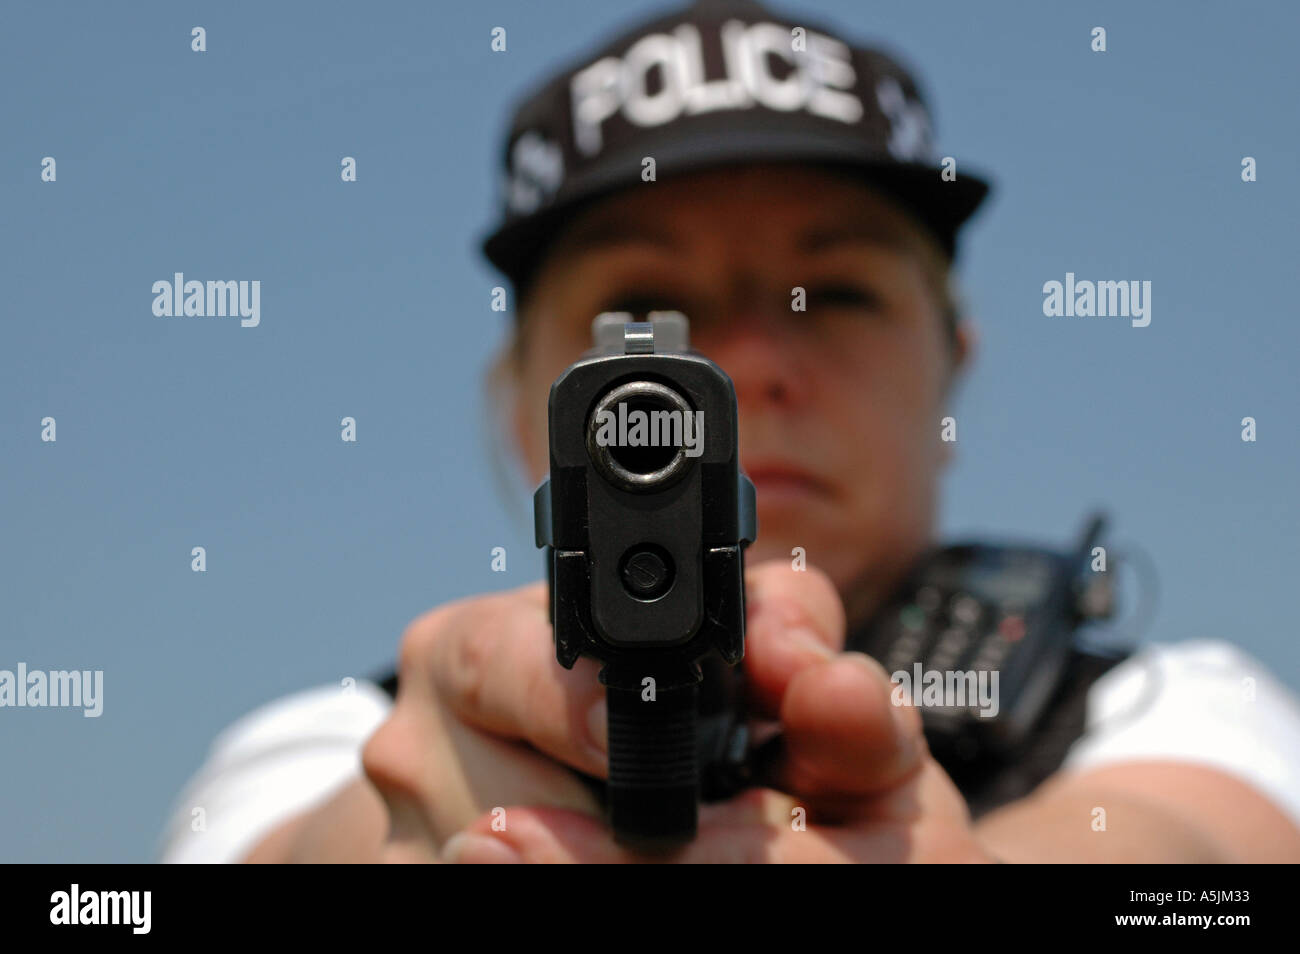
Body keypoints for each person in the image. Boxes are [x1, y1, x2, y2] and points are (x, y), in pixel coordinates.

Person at [159, 0, 1300, 863]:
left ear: (954, 362)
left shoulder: (1169, 705)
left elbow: (1194, 842)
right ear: (524, 405)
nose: (745, 368)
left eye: (837, 293)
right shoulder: (336, 741)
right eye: (640, 317)